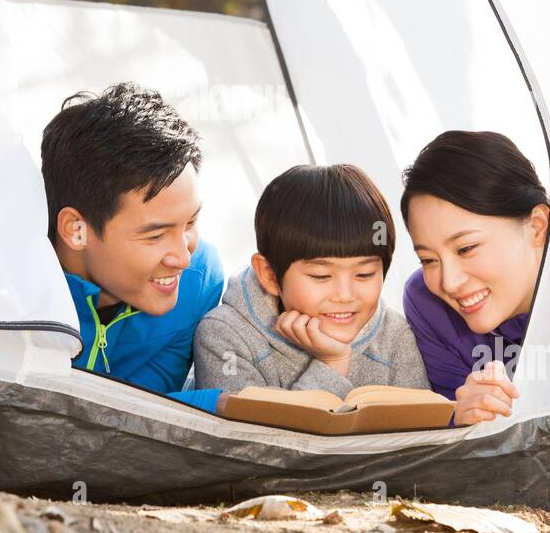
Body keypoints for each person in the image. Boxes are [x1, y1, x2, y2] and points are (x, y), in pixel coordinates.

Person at [41, 82, 226, 413]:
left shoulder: (199, 281)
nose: (183, 258)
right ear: (76, 229)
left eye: (189, 224)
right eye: (155, 236)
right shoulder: (11, 295)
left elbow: (141, 409)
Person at [194, 164, 429, 396]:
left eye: (364, 274)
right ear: (270, 275)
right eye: (322, 276)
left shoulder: (395, 335)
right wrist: (332, 364)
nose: (345, 295)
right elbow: (241, 433)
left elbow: (425, 430)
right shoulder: (224, 335)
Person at [400, 130, 550, 426]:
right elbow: (448, 426)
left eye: (466, 248)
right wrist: (458, 419)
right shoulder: (426, 303)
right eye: (428, 259)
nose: (450, 283)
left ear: (536, 227)